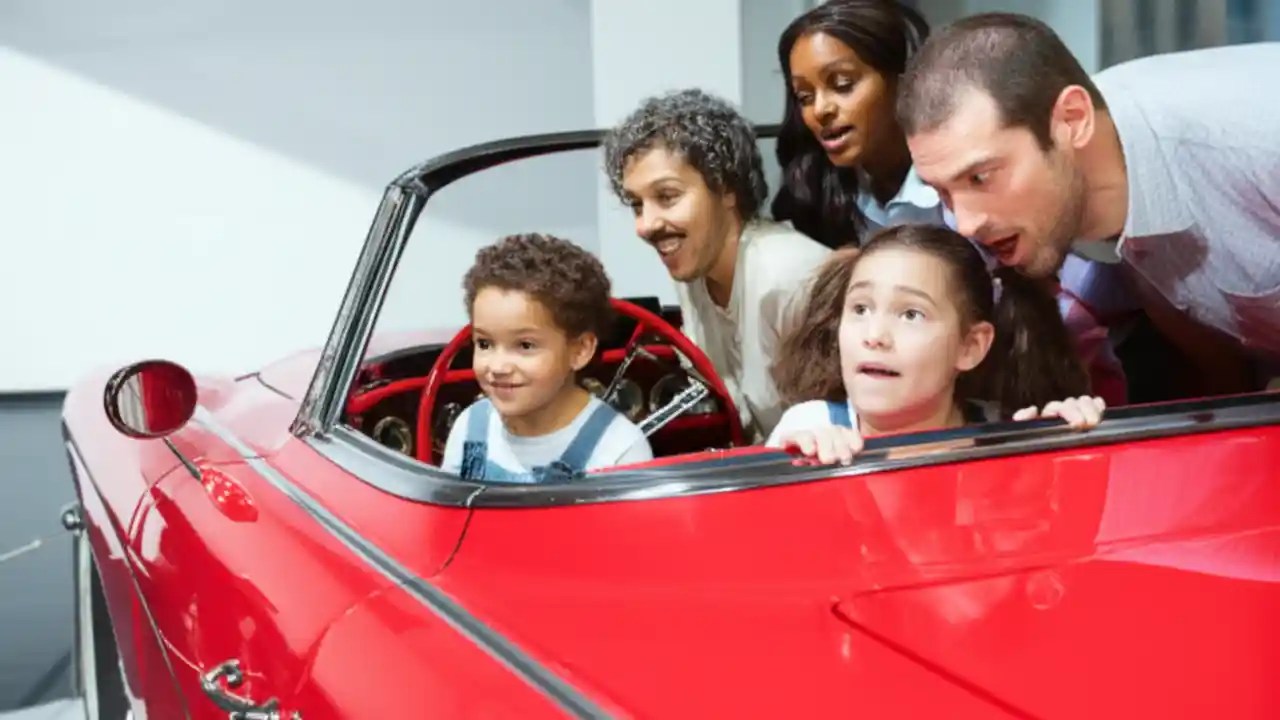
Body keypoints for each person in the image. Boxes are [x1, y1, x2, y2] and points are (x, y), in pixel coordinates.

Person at [895, 12, 1280, 396]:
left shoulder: (1255, 145)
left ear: (1073, 120)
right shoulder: (1051, 191)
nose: (965, 223)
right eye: (941, 190)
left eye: (980, 177)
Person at [771, 0, 1130, 407]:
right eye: (804, 95)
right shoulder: (839, 199)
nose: (822, 110)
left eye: (843, 84)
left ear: (902, 83)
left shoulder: (1017, 212)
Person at [603, 88, 832, 442]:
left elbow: (853, 425)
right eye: (636, 204)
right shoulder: (696, 267)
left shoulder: (790, 276)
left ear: (727, 188)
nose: (645, 225)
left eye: (667, 197)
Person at [767, 224, 1105, 464]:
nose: (874, 336)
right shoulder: (809, 427)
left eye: (911, 314)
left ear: (970, 346)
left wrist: (1067, 447)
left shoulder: (1005, 434)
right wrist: (795, 469)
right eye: (860, 309)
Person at [440, 233, 653, 482]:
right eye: (485, 343)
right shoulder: (470, 428)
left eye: (525, 345)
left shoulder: (619, 449)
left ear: (580, 350)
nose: (498, 366)